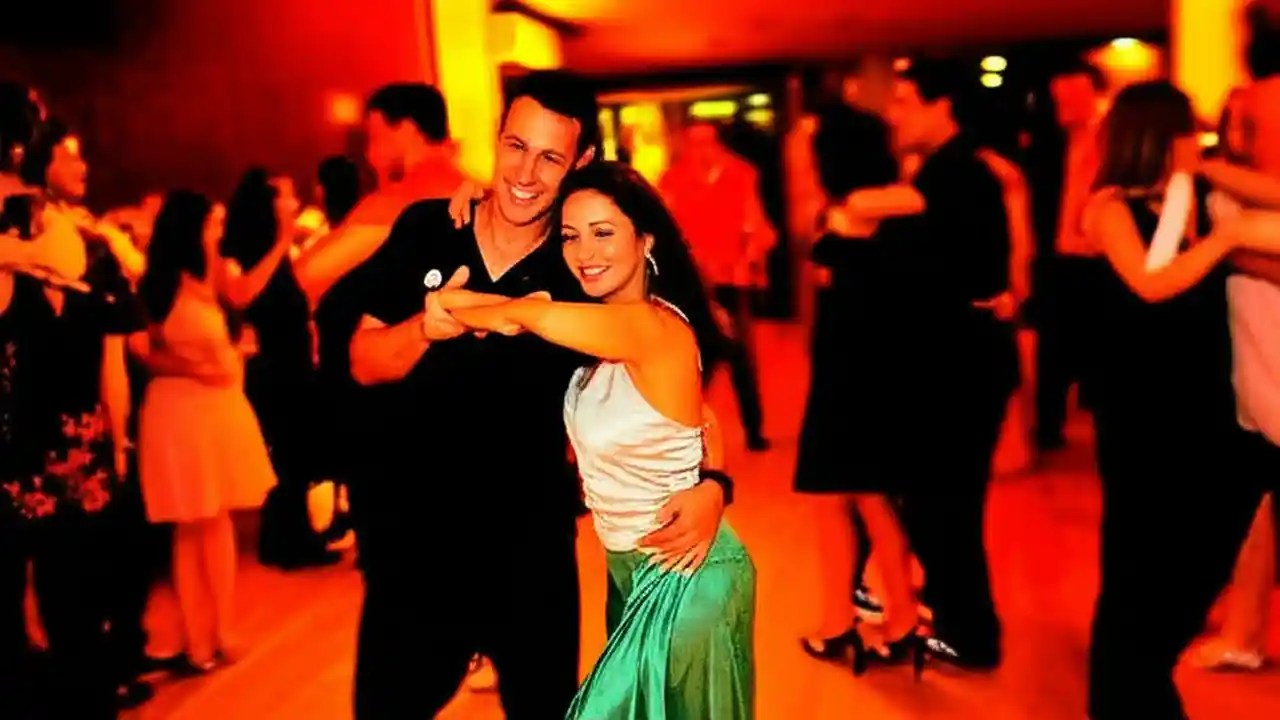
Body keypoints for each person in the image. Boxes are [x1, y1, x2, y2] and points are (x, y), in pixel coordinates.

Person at [345, 70, 728, 719]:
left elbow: (676, 385)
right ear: (494, 140)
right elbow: (363, 361)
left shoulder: (584, 267)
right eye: (516, 146)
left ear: (580, 162)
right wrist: (424, 328)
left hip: (531, 550)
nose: (525, 172)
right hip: (415, 545)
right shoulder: (429, 230)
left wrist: (715, 483)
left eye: (551, 156)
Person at [441, 161, 755, 718]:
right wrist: (715, 482)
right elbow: (702, 419)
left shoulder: (649, 326)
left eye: (603, 232)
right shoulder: (604, 328)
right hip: (627, 572)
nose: (585, 251)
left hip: (682, 578)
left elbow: (512, 316)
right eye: (570, 235)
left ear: (646, 238)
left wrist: (458, 305)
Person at [1081, 81, 1280, 720]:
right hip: (1141, 415)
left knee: (1195, 568)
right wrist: (1224, 240)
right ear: (1158, 134)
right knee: (1137, 570)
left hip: (1207, 412)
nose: (1200, 138)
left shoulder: (1203, 196)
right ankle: (1127, 699)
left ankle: (1142, 682)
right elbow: (1150, 282)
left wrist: (1212, 176)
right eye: (1187, 130)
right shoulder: (1109, 207)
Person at [835, 59, 1017, 669]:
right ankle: (957, 620)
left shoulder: (961, 174)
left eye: (908, 100)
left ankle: (971, 636)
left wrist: (865, 248)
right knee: (941, 507)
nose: (894, 112)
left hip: (960, 369)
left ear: (944, 107)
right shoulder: (944, 174)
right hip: (955, 364)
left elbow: (950, 274)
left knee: (947, 509)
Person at [794, 108, 922, 671]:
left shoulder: (861, 209)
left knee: (849, 498)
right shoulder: (884, 205)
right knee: (862, 498)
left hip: (852, 373)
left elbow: (833, 244)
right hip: (863, 368)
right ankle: (881, 622)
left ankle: (877, 622)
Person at [135, 192, 277, 673]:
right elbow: (141, 349)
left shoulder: (211, 273)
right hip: (180, 411)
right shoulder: (158, 283)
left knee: (213, 523)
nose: (219, 231)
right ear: (189, 228)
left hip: (216, 407)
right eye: (211, 224)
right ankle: (202, 638)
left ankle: (217, 632)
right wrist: (191, 367)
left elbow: (240, 297)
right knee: (194, 524)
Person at [221, 169, 337, 570]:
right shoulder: (244, 251)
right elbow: (243, 294)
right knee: (283, 457)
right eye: (285, 197)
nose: (293, 205)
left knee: (296, 456)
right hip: (271, 367)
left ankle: (299, 535)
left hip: (294, 362)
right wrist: (282, 243)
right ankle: (282, 543)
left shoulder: (280, 250)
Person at [659, 121, 774, 451]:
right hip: (693, 282)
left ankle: (754, 430)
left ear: (719, 144)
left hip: (731, 278)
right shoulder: (674, 179)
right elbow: (668, 229)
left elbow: (755, 221)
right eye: (694, 143)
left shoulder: (741, 174)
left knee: (741, 357)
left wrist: (751, 253)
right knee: (695, 360)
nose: (700, 150)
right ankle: (686, 432)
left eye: (707, 142)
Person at [1032, 61, 1108, 453]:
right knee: (1052, 347)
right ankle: (1048, 427)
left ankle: (1100, 419)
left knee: (1098, 344)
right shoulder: (1050, 144)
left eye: (1071, 96)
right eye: (1058, 97)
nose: (1062, 105)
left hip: (1097, 258)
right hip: (1058, 258)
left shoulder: (1110, 140)